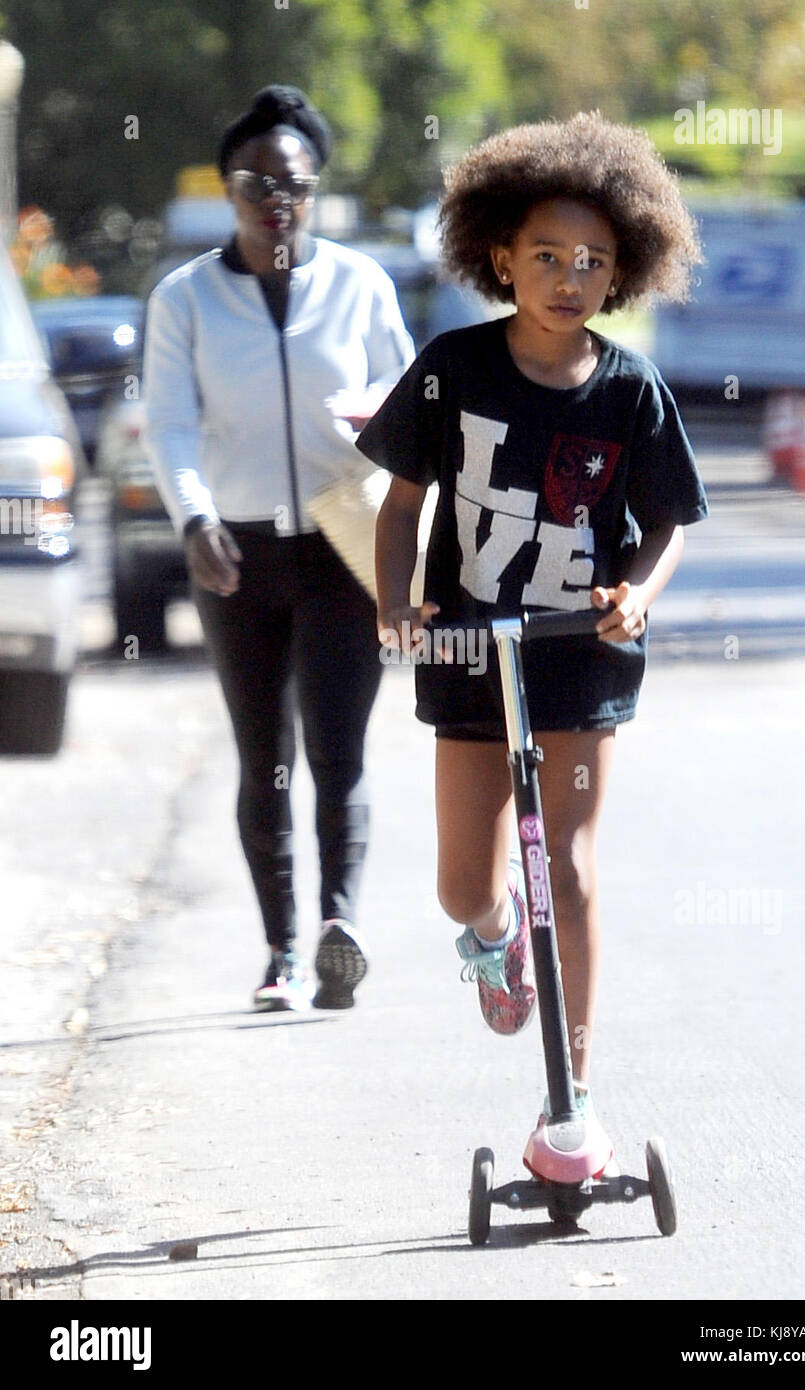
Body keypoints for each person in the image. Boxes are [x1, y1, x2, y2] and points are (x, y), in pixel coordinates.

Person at [358, 112, 708, 1172]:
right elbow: (397, 506)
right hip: (472, 649)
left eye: (592, 260)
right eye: (547, 255)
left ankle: (576, 1100)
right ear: (498, 256)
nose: (568, 275)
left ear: (622, 272)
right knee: (465, 883)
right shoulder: (450, 367)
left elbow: (665, 525)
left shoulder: (629, 389)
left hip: (578, 650)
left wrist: (636, 595)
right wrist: (397, 604)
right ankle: (491, 939)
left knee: (572, 863)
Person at [143, 85, 414, 1012]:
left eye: (293, 183)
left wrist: (382, 440)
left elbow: (405, 401)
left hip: (345, 541)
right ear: (228, 189)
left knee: (339, 749)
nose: (275, 199)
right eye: (256, 182)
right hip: (237, 553)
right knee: (264, 755)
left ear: (316, 190)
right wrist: (191, 518)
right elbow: (171, 424)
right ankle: (279, 953)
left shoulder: (361, 284)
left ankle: (340, 928)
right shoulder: (185, 298)